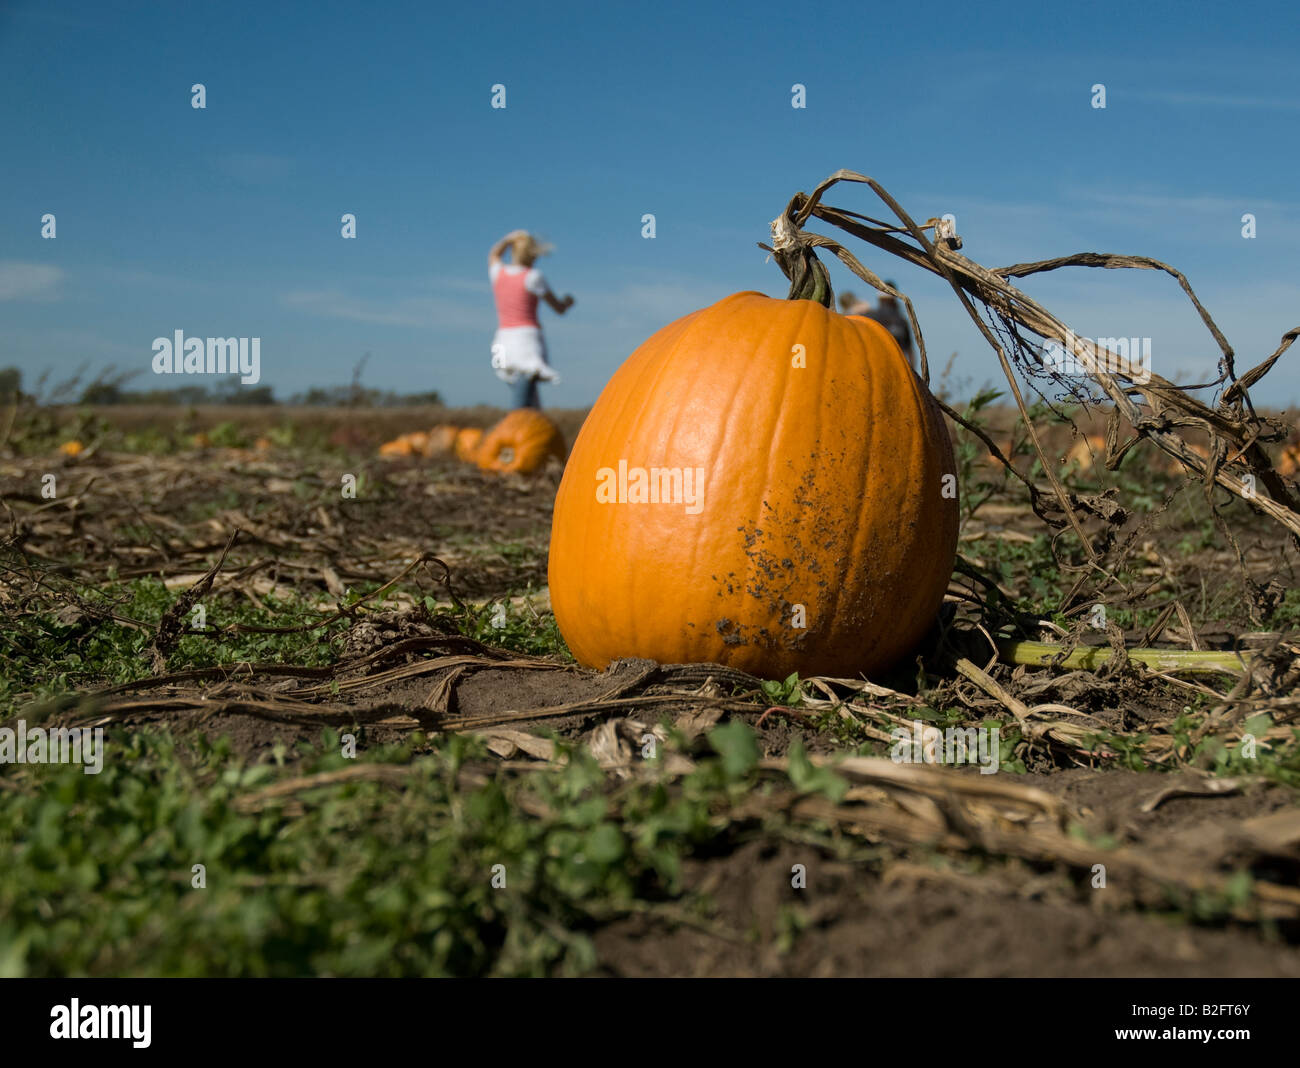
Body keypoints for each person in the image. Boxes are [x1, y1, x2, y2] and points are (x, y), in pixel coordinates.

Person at [487, 230, 574, 409]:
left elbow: (494, 254)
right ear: (533, 255)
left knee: (524, 392)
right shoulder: (533, 277)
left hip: (503, 339)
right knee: (523, 399)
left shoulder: (498, 274)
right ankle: (518, 428)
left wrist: (508, 239)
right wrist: (567, 303)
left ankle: (531, 425)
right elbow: (558, 308)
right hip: (526, 341)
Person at [863, 281, 915, 369]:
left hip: (878, 368)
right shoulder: (901, 320)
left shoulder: (869, 317)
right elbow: (910, 350)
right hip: (898, 369)